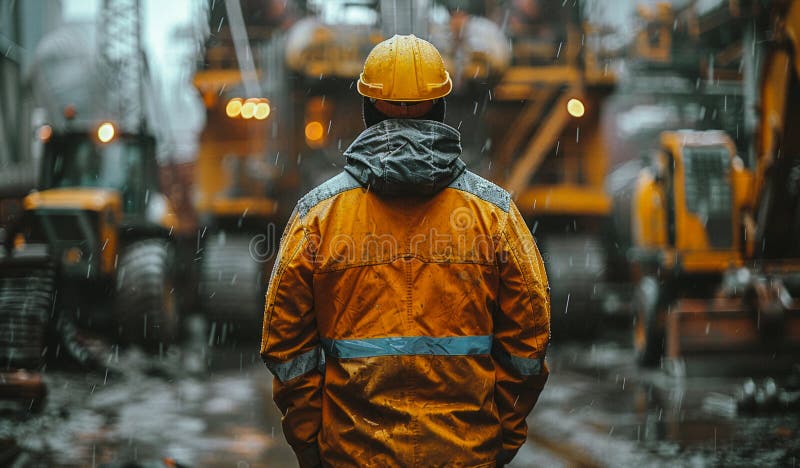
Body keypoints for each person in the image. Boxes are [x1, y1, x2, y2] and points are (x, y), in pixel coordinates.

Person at [261, 34, 550, 468]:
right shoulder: (497, 216)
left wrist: (311, 443)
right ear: (442, 106)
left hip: (352, 456)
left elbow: (287, 350)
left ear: (365, 109)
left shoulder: (316, 218)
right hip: (466, 456)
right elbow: (528, 346)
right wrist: (499, 438)